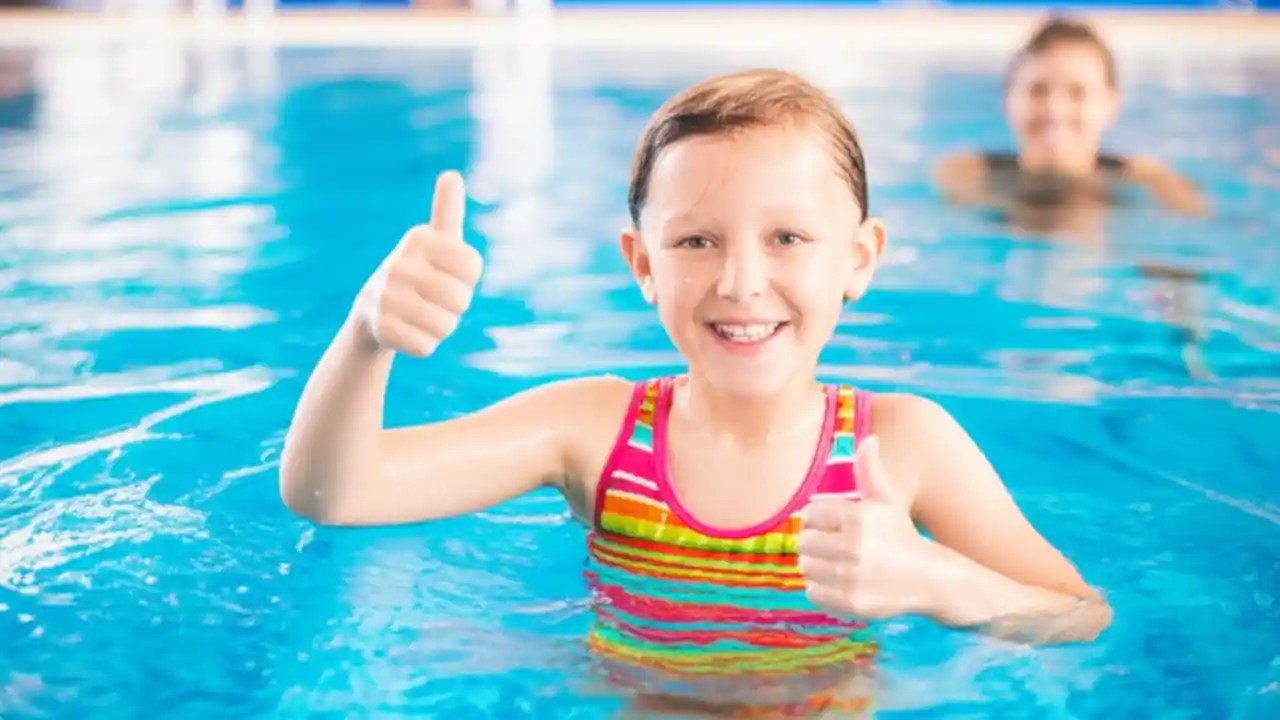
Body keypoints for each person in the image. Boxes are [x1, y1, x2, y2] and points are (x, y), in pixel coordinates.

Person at [280, 69, 1113, 715]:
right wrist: (366, 337)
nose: (741, 281)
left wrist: (935, 580)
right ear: (642, 263)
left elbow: (1078, 617)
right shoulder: (594, 430)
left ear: (859, 257)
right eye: (696, 241)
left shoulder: (903, 445)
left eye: (787, 237)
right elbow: (338, 492)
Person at [935, 17, 1210, 236]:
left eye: (1077, 92)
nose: (1055, 111)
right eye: (1038, 90)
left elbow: (1199, 238)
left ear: (1111, 104)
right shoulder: (966, 172)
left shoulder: (1153, 182)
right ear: (1009, 99)